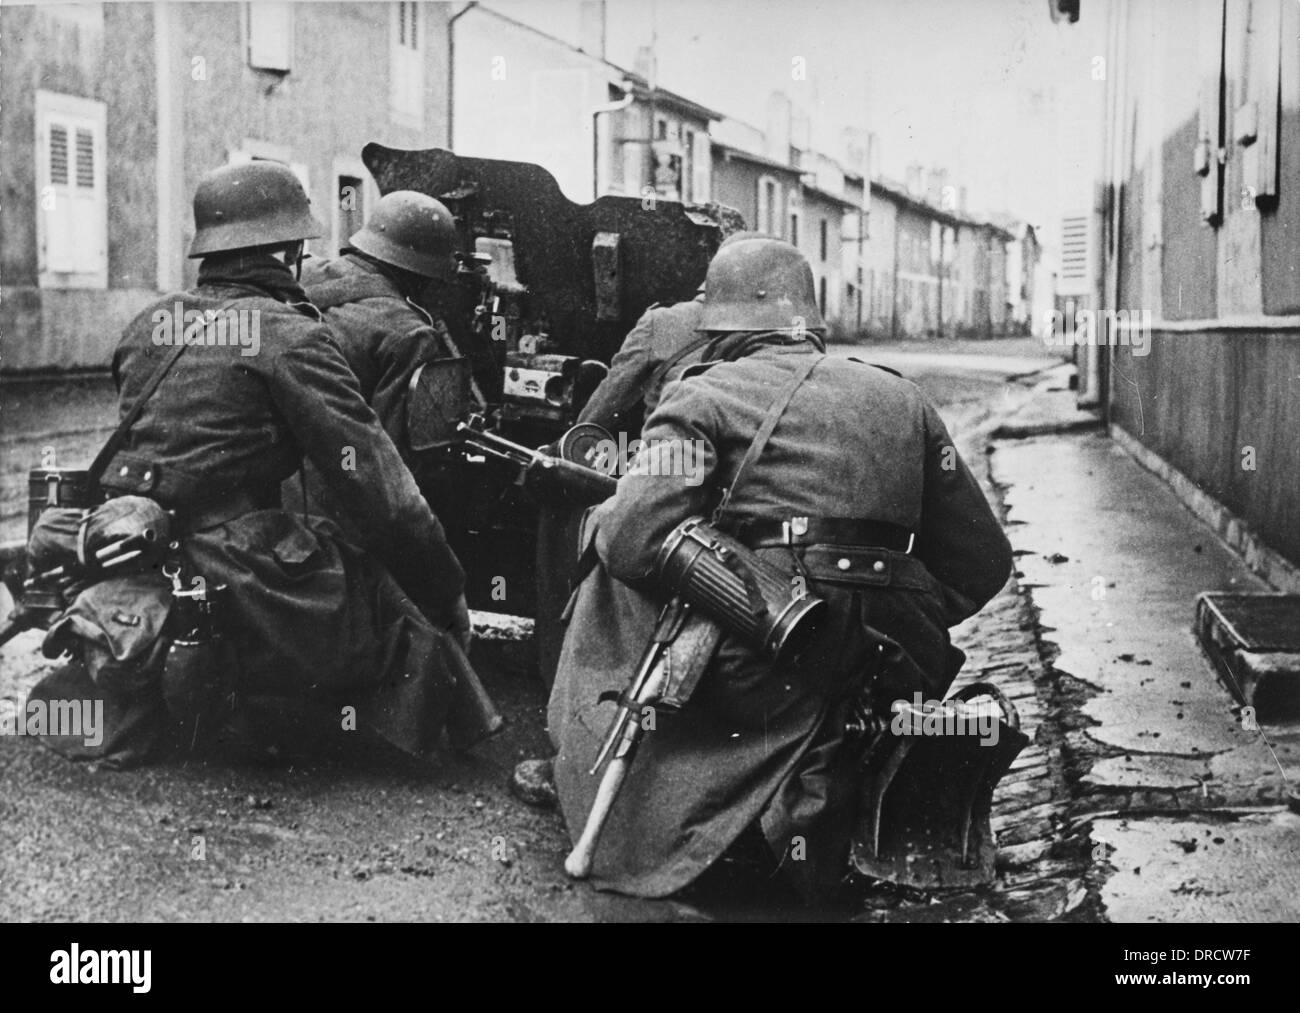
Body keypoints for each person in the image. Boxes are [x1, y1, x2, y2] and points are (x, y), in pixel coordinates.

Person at [545, 236, 1013, 900]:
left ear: (723, 326)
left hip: (768, 653)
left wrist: (739, 577)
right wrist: (877, 610)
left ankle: (593, 760)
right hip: (891, 660)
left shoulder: (705, 394)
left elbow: (629, 535)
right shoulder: (901, 399)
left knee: (607, 568)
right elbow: (984, 561)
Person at [33, 160, 481, 767]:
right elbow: (382, 491)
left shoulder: (152, 321)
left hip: (139, 540)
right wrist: (444, 587)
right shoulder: (289, 336)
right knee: (390, 615)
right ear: (287, 249)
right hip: (234, 557)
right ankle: (272, 718)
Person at [298, 190, 474, 539]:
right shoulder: (409, 334)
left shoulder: (299, 278)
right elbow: (397, 469)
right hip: (338, 527)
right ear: (424, 272)